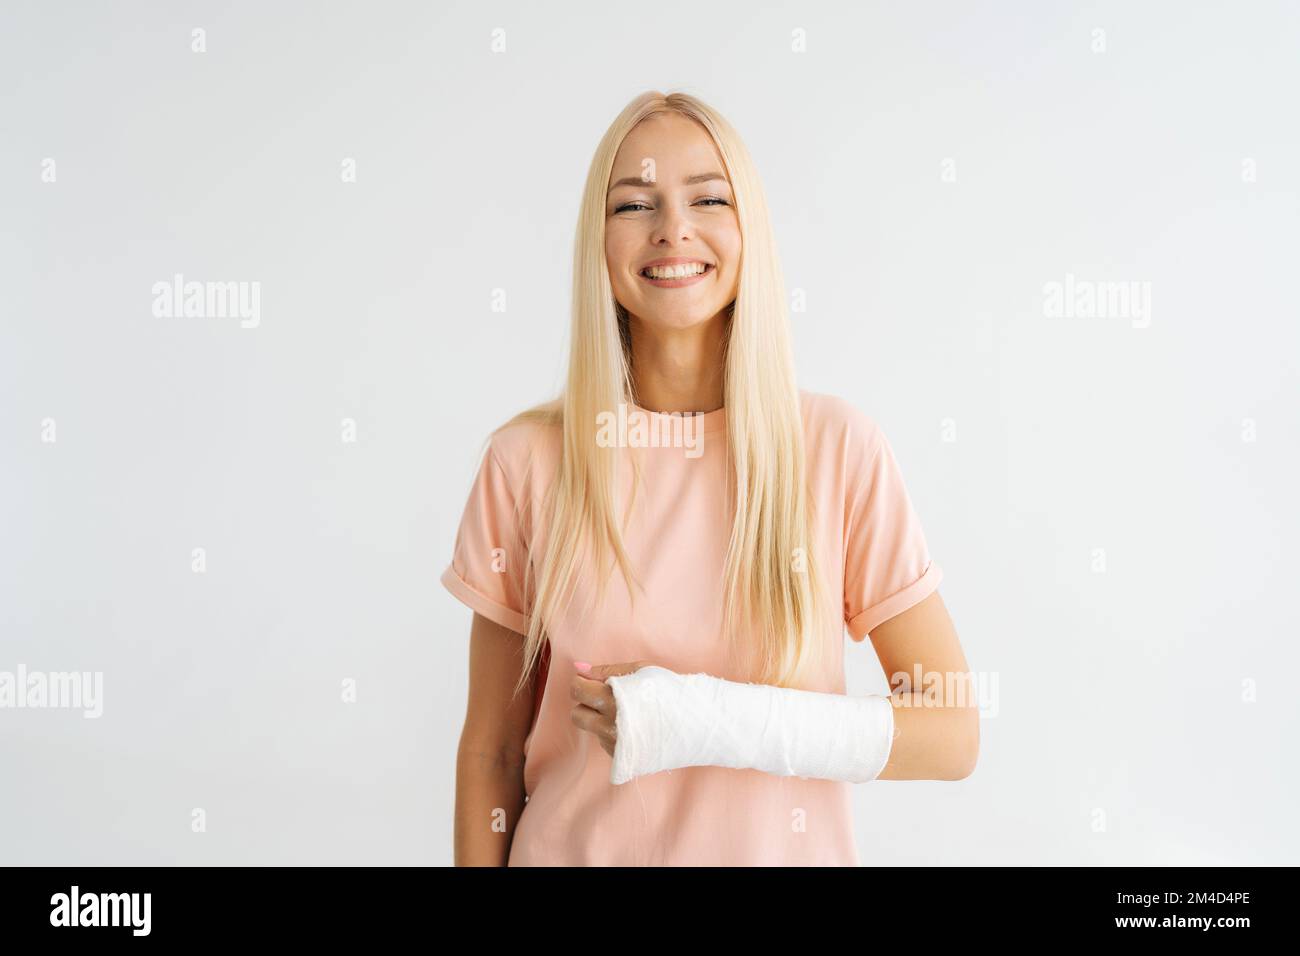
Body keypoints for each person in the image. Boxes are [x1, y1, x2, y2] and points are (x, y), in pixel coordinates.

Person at [442, 90, 977, 866]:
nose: (673, 228)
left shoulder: (838, 448)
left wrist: (699, 717)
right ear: (598, 238)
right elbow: (490, 753)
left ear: (747, 228)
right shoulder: (525, 462)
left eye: (708, 197)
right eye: (635, 204)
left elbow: (954, 734)